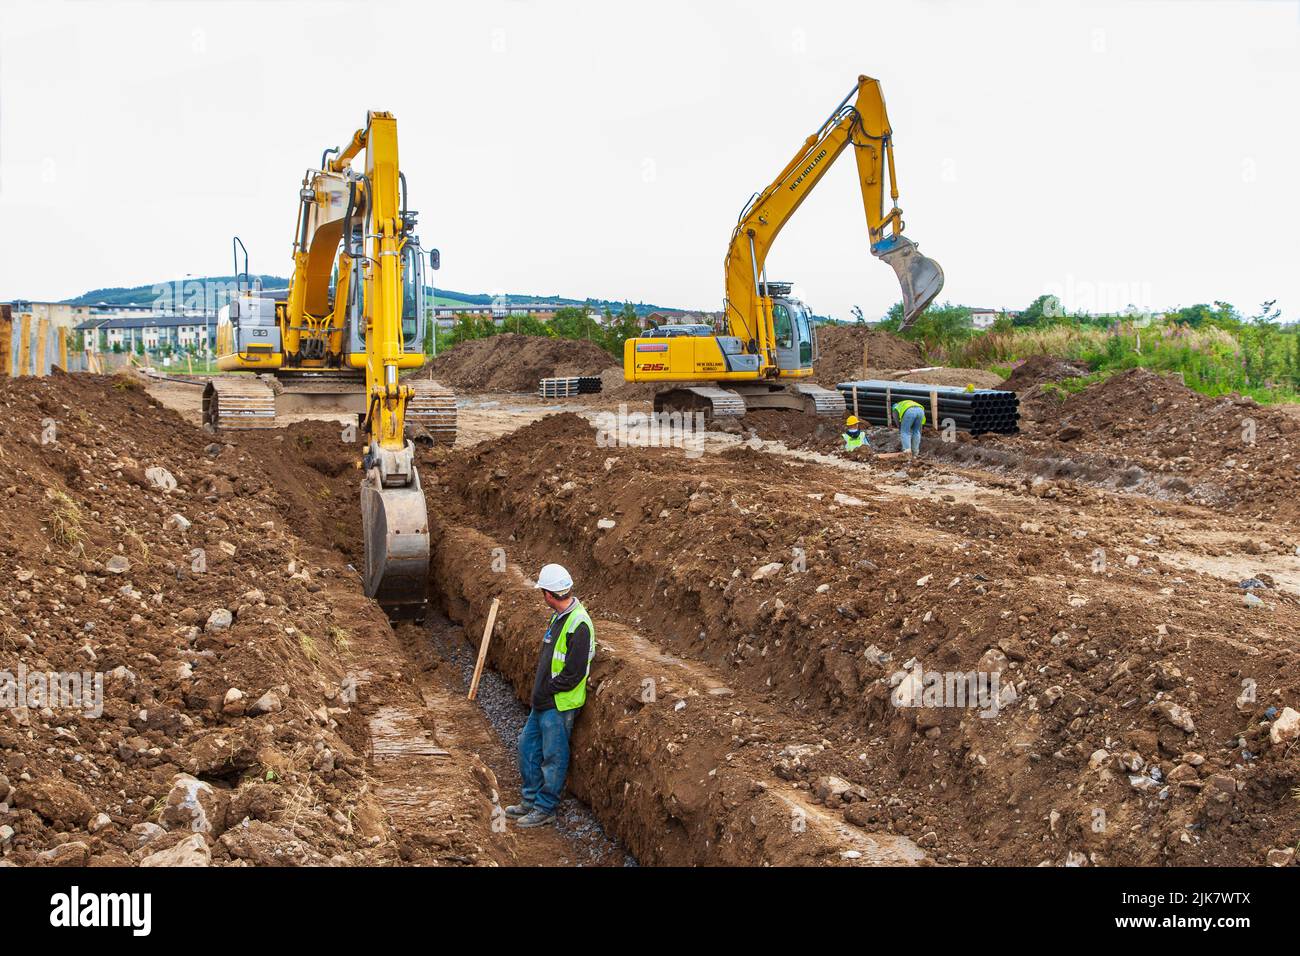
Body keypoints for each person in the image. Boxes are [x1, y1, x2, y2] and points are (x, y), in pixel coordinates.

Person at [506, 563, 595, 828]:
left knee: (554, 755)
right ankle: (530, 799)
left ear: (548, 594)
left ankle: (545, 808)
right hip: (544, 701)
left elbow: (574, 674)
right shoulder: (559, 617)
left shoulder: (579, 624)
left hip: (559, 703)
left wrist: (546, 691)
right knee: (527, 746)